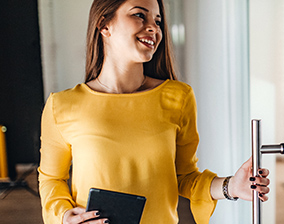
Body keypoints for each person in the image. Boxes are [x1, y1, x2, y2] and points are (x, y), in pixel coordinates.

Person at [38, 0, 270, 223]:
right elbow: (51, 179)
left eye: (157, 21)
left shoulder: (178, 97)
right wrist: (63, 216)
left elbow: (185, 177)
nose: (153, 28)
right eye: (139, 15)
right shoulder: (63, 105)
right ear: (104, 25)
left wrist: (232, 187)